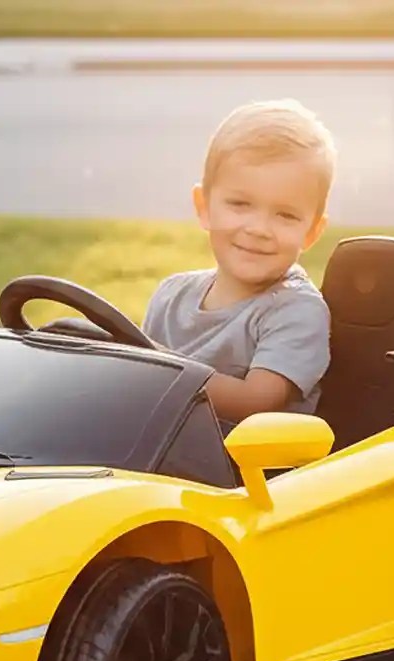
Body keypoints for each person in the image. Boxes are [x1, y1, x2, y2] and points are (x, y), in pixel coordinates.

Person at [143, 99, 335, 426]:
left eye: (286, 215)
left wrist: (142, 359)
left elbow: (254, 403)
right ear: (203, 206)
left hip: (240, 473)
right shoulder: (170, 296)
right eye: (240, 204)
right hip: (145, 459)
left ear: (312, 232)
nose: (259, 229)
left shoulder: (296, 312)